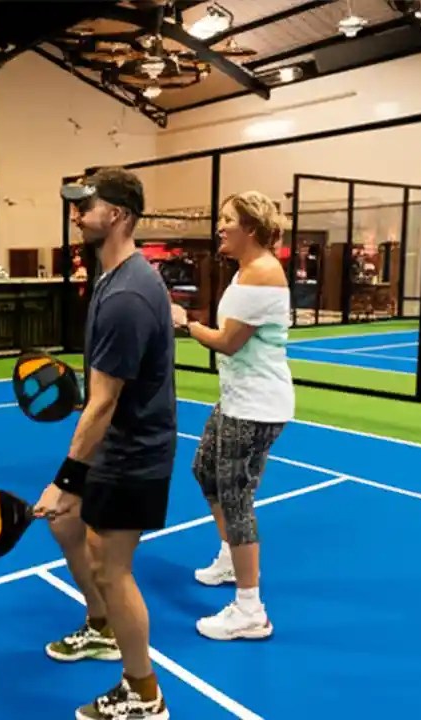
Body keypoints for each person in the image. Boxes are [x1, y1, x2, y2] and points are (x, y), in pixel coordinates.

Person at [34, 168, 176, 720]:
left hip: (133, 451)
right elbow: (102, 390)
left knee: (115, 568)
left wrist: (65, 477)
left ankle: (144, 694)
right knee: (67, 524)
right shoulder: (110, 279)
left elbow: (106, 401)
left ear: (116, 214)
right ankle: (99, 627)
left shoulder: (128, 296)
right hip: (116, 438)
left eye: (84, 205)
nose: (75, 213)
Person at [171, 190, 294, 641]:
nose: (220, 227)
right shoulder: (246, 270)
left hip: (257, 405)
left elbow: (227, 341)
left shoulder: (262, 273)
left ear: (252, 229)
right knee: (204, 470)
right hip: (238, 398)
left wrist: (184, 322)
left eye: (228, 220)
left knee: (237, 497)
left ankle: (249, 609)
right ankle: (229, 556)